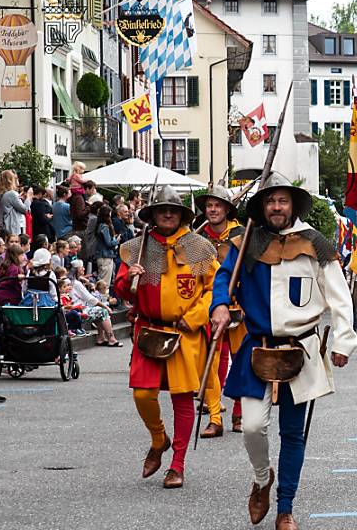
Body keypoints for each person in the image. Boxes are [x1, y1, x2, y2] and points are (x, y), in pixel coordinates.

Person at [211, 172, 355, 529]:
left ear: (293, 205)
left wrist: (343, 340)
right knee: (252, 427)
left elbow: (340, 296)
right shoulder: (246, 243)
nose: (276, 207)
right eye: (270, 201)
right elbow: (222, 279)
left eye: (283, 200)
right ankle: (262, 479)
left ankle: (285, 508)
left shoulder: (316, 244)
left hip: (300, 349)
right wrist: (219, 306)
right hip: (257, 347)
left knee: (293, 433)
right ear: (263, 206)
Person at [115, 185, 218, 490]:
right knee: (143, 394)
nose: (168, 214)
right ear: (153, 215)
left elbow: (215, 288)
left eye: (173, 210)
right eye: (162, 210)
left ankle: (178, 464)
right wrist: (128, 277)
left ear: (182, 214)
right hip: (150, 330)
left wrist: (196, 316)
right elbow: (122, 291)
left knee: (183, 400)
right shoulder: (137, 248)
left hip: (184, 331)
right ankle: (159, 439)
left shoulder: (198, 247)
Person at [195, 185, 246, 438]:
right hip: (210, 305)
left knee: (241, 361)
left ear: (227, 208)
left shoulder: (242, 235)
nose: (213, 209)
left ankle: (240, 412)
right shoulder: (198, 237)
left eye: (217, 205)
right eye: (209, 206)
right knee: (210, 362)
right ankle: (215, 417)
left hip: (239, 305)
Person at [69, 259, 119, 347]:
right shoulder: (77, 284)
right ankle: (111, 338)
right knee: (103, 311)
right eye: (81, 268)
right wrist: (106, 307)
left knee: (98, 311)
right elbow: (90, 299)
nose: (84, 269)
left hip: (74, 309)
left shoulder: (71, 281)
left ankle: (101, 338)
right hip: (78, 310)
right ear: (76, 270)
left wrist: (85, 281)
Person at [0, 170, 32, 236]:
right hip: (13, 227)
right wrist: (29, 197)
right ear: (11, 180)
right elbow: (24, 209)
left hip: (7, 226)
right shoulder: (11, 194)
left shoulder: (1, 194)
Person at [94, 205, 120, 289]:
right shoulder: (104, 227)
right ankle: (102, 300)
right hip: (105, 256)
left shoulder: (100, 225)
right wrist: (117, 240)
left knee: (103, 281)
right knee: (104, 284)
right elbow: (108, 243)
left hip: (103, 256)